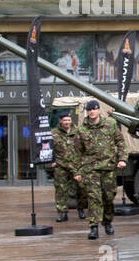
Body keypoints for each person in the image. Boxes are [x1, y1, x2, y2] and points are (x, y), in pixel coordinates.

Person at [71, 100, 126, 239]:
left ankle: (107, 221)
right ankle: (93, 227)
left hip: (108, 167)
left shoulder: (110, 124)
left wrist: (122, 159)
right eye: (89, 110)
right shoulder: (81, 129)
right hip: (91, 169)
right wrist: (76, 171)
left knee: (108, 196)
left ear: (99, 110)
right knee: (93, 197)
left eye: (94, 109)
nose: (92, 112)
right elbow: (76, 152)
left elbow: (120, 142)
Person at [50, 111, 84, 222]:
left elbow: (84, 147)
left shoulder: (78, 132)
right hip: (61, 165)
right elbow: (47, 148)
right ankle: (62, 213)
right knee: (61, 190)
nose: (67, 122)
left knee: (81, 188)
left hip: (76, 166)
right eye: (64, 120)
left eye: (68, 120)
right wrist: (51, 161)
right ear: (60, 121)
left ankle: (81, 209)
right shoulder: (54, 133)